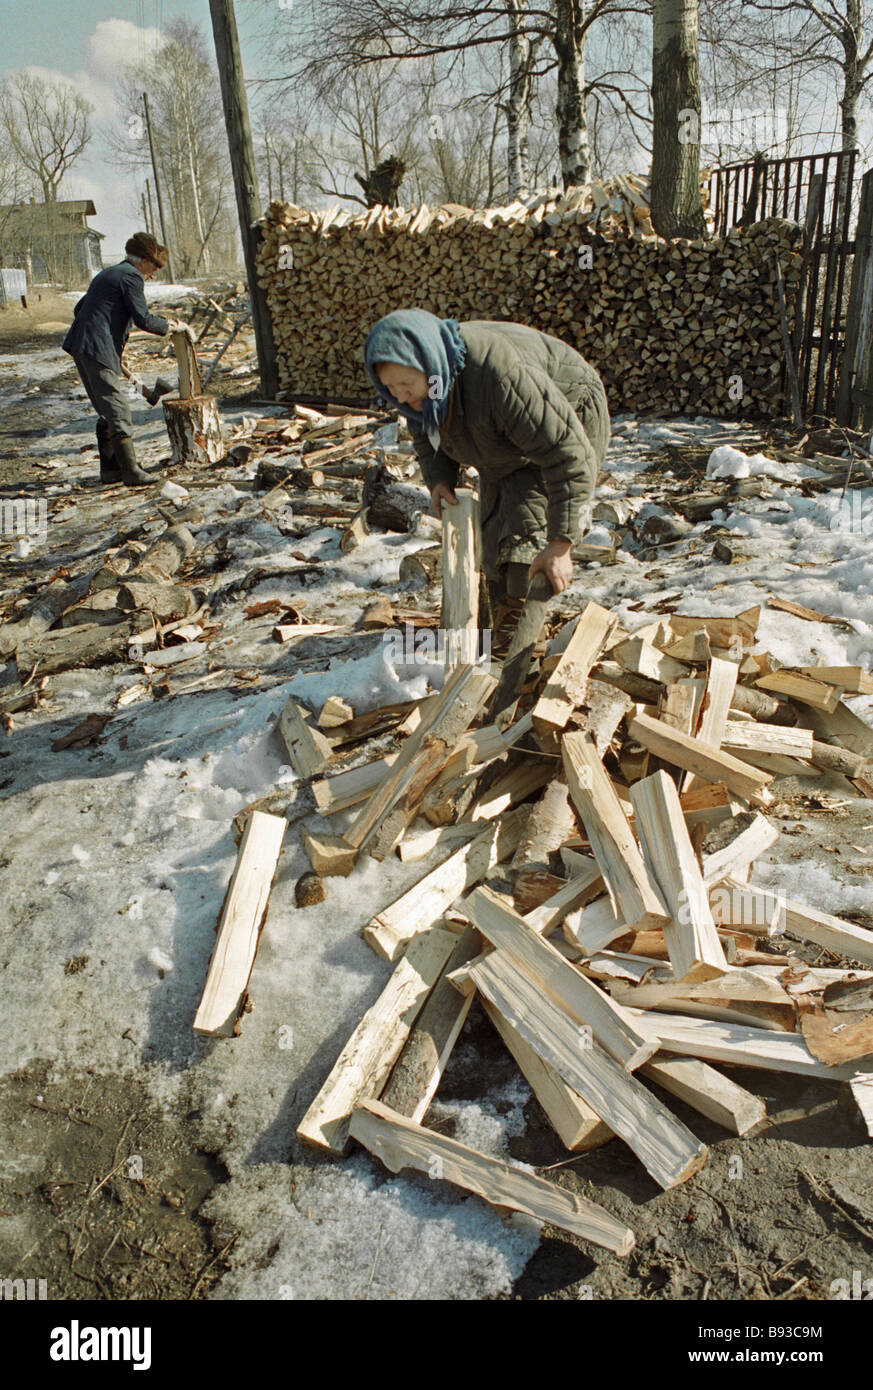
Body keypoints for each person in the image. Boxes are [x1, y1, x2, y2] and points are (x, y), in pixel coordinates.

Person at [363, 309, 610, 634]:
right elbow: (428, 429)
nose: (400, 396)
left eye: (406, 384)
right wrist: (439, 478)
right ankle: (492, 630)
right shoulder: (427, 386)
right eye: (390, 388)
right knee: (492, 539)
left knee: (526, 534)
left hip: (565, 415)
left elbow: (567, 453)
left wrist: (561, 544)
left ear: (430, 365)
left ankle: (521, 644)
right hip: (499, 432)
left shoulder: (499, 377)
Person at [62, 232, 189, 487]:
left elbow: (80, 309)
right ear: (143, 261)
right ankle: (130, 472)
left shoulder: (108, 274)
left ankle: (111, 471)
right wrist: (171, 326)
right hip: (96, 347)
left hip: (80, 344)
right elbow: (143, 318)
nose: (152, 275)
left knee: (106, 407)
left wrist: (106, 333)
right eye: (153, 268)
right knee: (117, 407)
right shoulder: (131, 276)